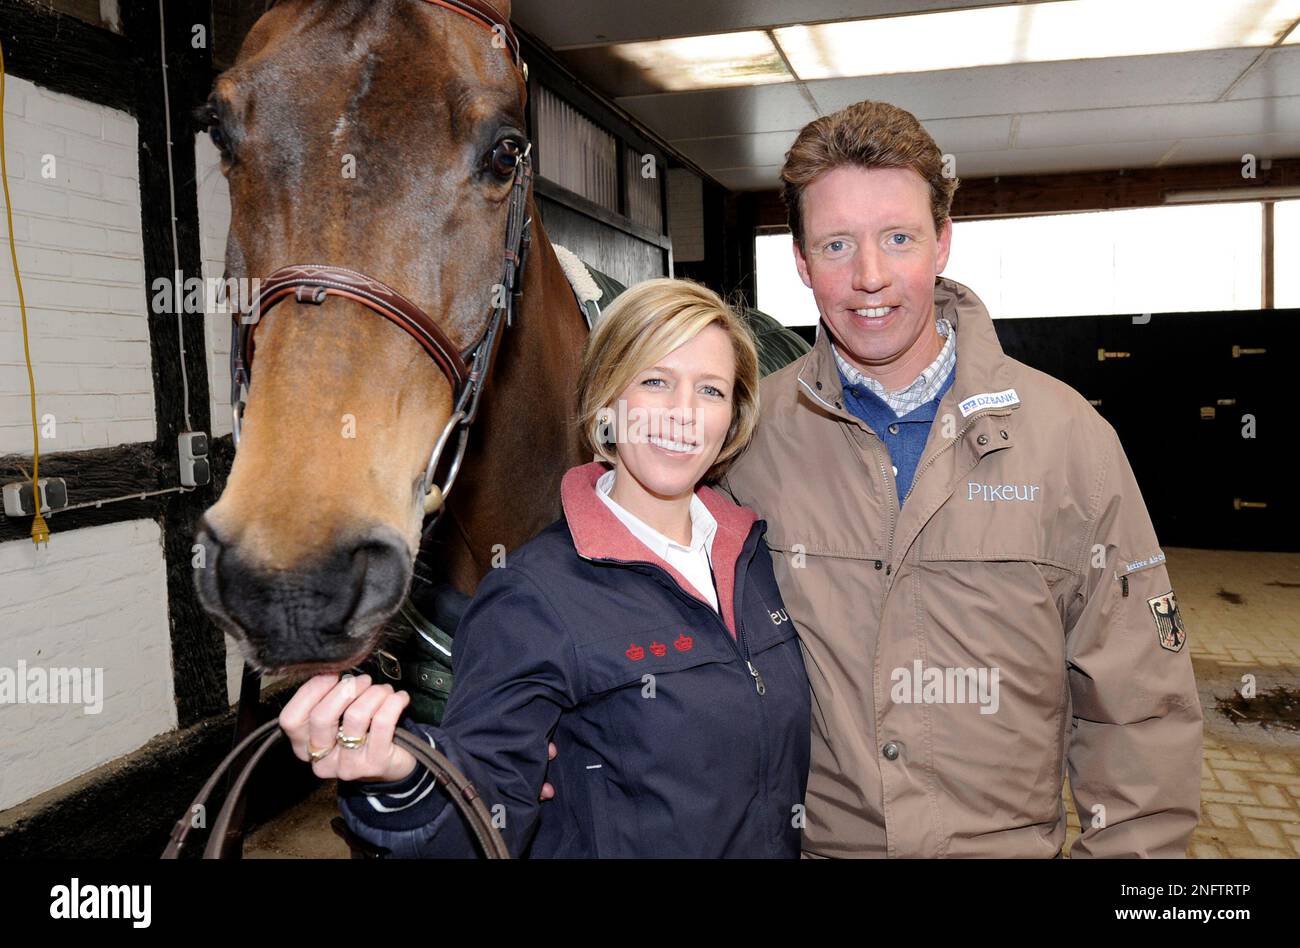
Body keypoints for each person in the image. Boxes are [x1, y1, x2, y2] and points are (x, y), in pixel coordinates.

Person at [719, 99, 1202, 858]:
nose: (870, 277)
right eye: (838, 244)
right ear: (803, 262)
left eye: (899, 238)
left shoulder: (1071, 441)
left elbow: (1139, 712)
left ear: (943, 241)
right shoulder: (745, 441)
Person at [279, 277, 811, 857]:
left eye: (710, 390)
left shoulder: (751, 555)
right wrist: (403, 780)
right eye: (656, 381)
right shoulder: (532, 597)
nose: (684, 414)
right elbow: (488, 800)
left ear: (733, 417)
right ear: (606, 400)